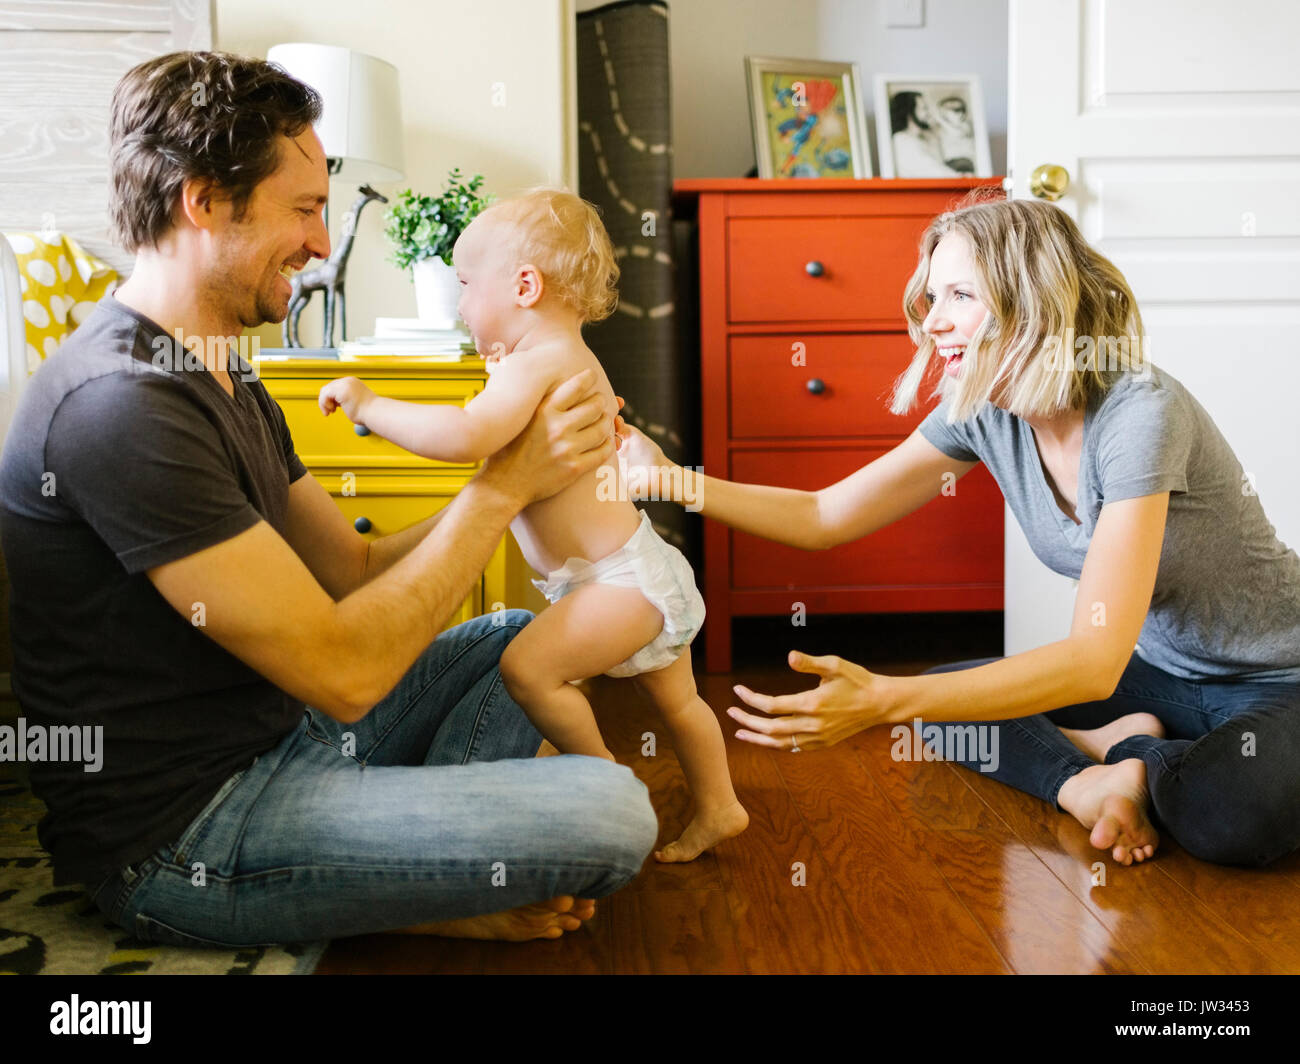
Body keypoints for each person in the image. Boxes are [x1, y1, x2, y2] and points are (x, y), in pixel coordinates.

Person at [0, 51, 658, 949]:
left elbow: (350, 569)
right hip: (188, 832)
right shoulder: (121, 402)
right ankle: (416, 890)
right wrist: (504, 488)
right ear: (203, 200)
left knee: (519, 636)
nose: (321, 243)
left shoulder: (223, 370)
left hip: (284, 733)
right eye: (304, 208)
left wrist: (527, 478)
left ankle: (393, 867)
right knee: (613, 812)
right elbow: (345, 675)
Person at [618, 194, 1300, 870]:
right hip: (1160, 675)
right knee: (948, 700)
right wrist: (672, 479)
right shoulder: (982, 408)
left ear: (1032, 302)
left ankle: (1137, 755)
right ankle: (1090, 780)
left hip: (1279, 677)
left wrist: (884, 700)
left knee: (1226, 816)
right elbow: (824, 517)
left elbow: (1092, 660)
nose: (932, 321)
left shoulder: (1140, 415)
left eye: (960, 296)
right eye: (931, 295)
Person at [317, 189, 748, 863]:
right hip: (630, 570)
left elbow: (466, 434)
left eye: (464, 285)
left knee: (531, 671)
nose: (458, 304)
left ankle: (606, 779)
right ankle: (721, 806)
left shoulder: (535, 365)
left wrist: (371, 402)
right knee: (682, 704)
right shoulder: (560, 359)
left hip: (618, 583)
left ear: (524, 286)